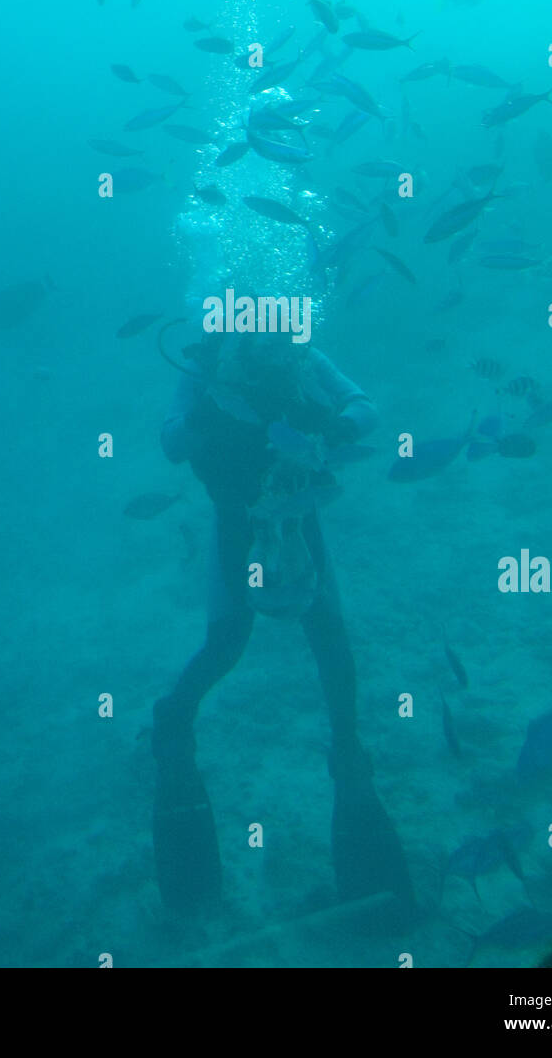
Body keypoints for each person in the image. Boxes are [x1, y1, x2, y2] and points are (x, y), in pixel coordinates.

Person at [151, 326, 414, 916]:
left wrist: (335, 427)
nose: (257, 340)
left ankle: (348, 756)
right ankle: (173, 725)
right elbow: (171, 443)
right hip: (236, 520)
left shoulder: (304, 358)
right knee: (229, 642)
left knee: (328, 642)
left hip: (296, 515)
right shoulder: (205, 370)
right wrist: (213, 412)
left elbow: (364, 408)